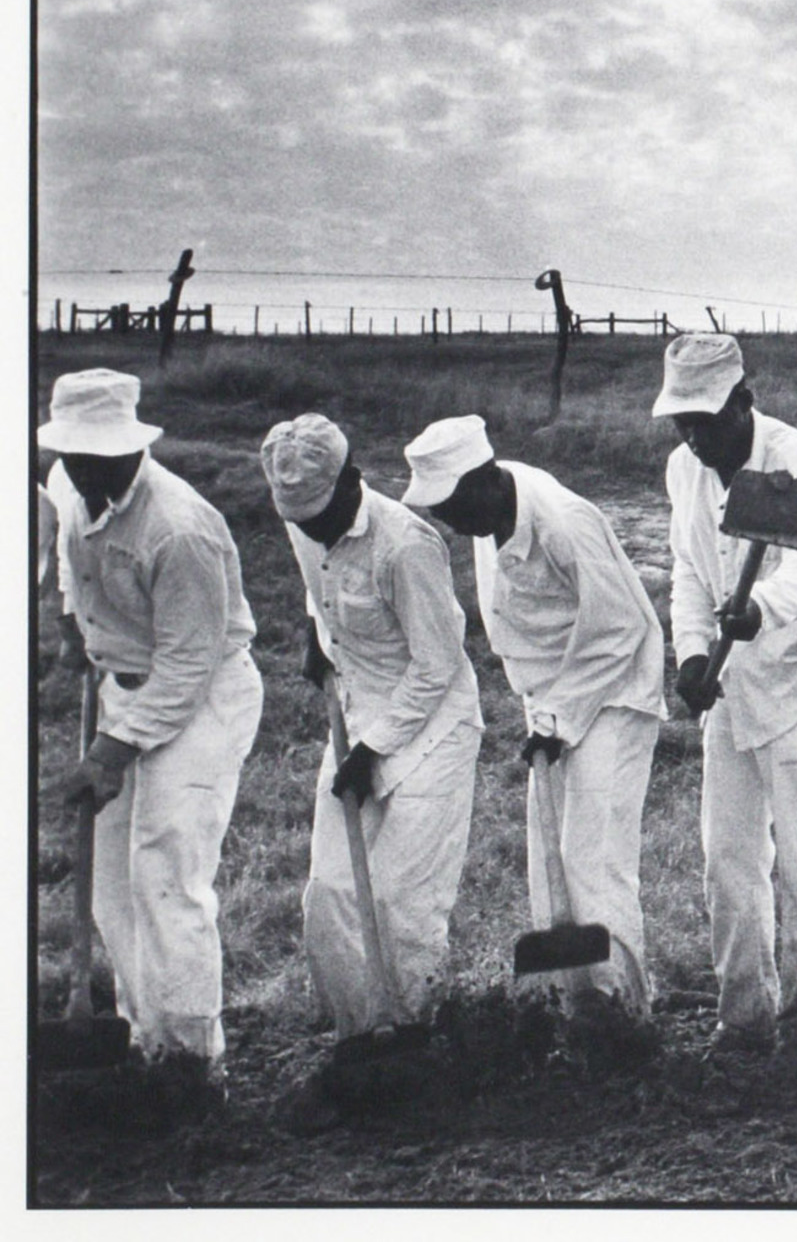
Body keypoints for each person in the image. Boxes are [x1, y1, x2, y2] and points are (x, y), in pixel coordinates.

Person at [402, 415, 668, 1041]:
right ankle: (577, 1011)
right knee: (550, 864)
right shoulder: (487, 510)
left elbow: (619, 630)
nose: (448, 522)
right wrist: (544, 717)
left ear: (485, 480)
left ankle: (624, 1021)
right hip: (551, 701)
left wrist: (559, 717)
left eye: (451, 507)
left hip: (612, 693)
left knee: (593, 859)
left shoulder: (563, 521)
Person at [657, 332, 797, 1053]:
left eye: (707, 421)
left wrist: (763, 607)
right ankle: (745, 1011)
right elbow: (690, 570)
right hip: (733, 683)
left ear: (743, 403)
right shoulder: (682, 472)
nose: (695, 438)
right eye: (682, 423)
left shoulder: (794, 460)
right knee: (728, 853)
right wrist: (693, 653)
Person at [42, 369, 264, 1090]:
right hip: (123, 687)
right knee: (113, 881)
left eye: (96, 456)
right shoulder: (68, 484)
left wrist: (110, 752)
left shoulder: (181, 526)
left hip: (201, 698)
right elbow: (74, 568)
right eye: (73, 455)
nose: (83, 470)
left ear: (131, 448)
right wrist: (76, 630)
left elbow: (187, 665)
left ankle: (193, 1063)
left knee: (167, 872)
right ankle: (144, 1039)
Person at [264, 413, 482, 1044]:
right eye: (298, 519)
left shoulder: (406, 545)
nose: (310, 530)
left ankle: (411, 1038)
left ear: (352, 480)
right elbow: (320, 585)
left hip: (432, 727)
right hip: (356, 714)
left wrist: (375, 748)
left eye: (319, 518)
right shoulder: (306, 516)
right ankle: (361, 1041)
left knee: (398, 902)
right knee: (329, 894)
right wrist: (315, 631)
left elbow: (438, 662)